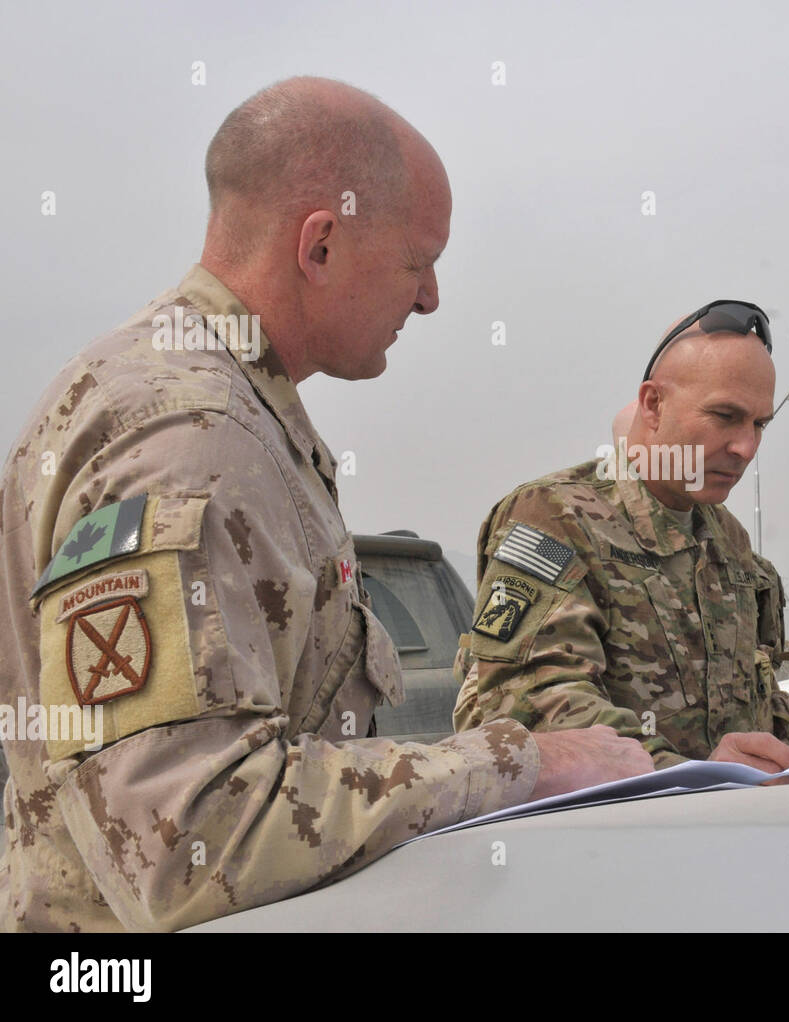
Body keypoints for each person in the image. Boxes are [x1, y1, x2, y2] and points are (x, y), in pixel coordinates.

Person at [0, 77, 651, 933]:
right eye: (418, 263)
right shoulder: (194, 437)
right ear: (320, 246)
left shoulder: (197, 397)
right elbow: (193, 840)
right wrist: (524, 762)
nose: (429, 299)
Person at [453, 301, 789, 770]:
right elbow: (528, 702)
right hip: (609, 834)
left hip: (727, 825)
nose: (746, 447)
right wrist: (689, 775)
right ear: (654, 405)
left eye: (759, 424)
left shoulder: (729, 541)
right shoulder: (555, 517)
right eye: (725, 416)